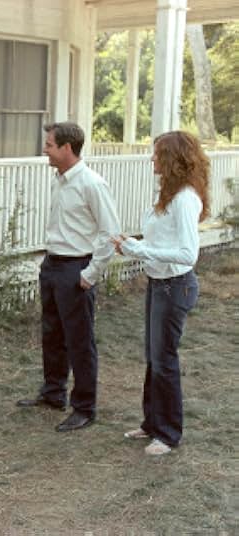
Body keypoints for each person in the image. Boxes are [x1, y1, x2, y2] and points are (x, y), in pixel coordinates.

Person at [16, 122, 121, 432]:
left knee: (79, 341)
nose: (45, 149)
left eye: (49, 145)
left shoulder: (91, 184)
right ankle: (53, 394)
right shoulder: (59, 181)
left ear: (66, 148)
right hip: (53, 266)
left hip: (77, 269)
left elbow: (110, 233)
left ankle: (84, 407)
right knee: (52, 333)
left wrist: (91, 274)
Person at [112, 131, 208, 456]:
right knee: (154, 358)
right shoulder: (168, 195)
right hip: (159, 284)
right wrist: (134, 248)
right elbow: (160, 245)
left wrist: (141, 248)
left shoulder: (184, 199)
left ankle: (168, 434)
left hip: (174, 286)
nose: (152, 159)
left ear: (173, 158)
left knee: (164, 360)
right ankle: (152, 423)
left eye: (157, 154)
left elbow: (186, 254)